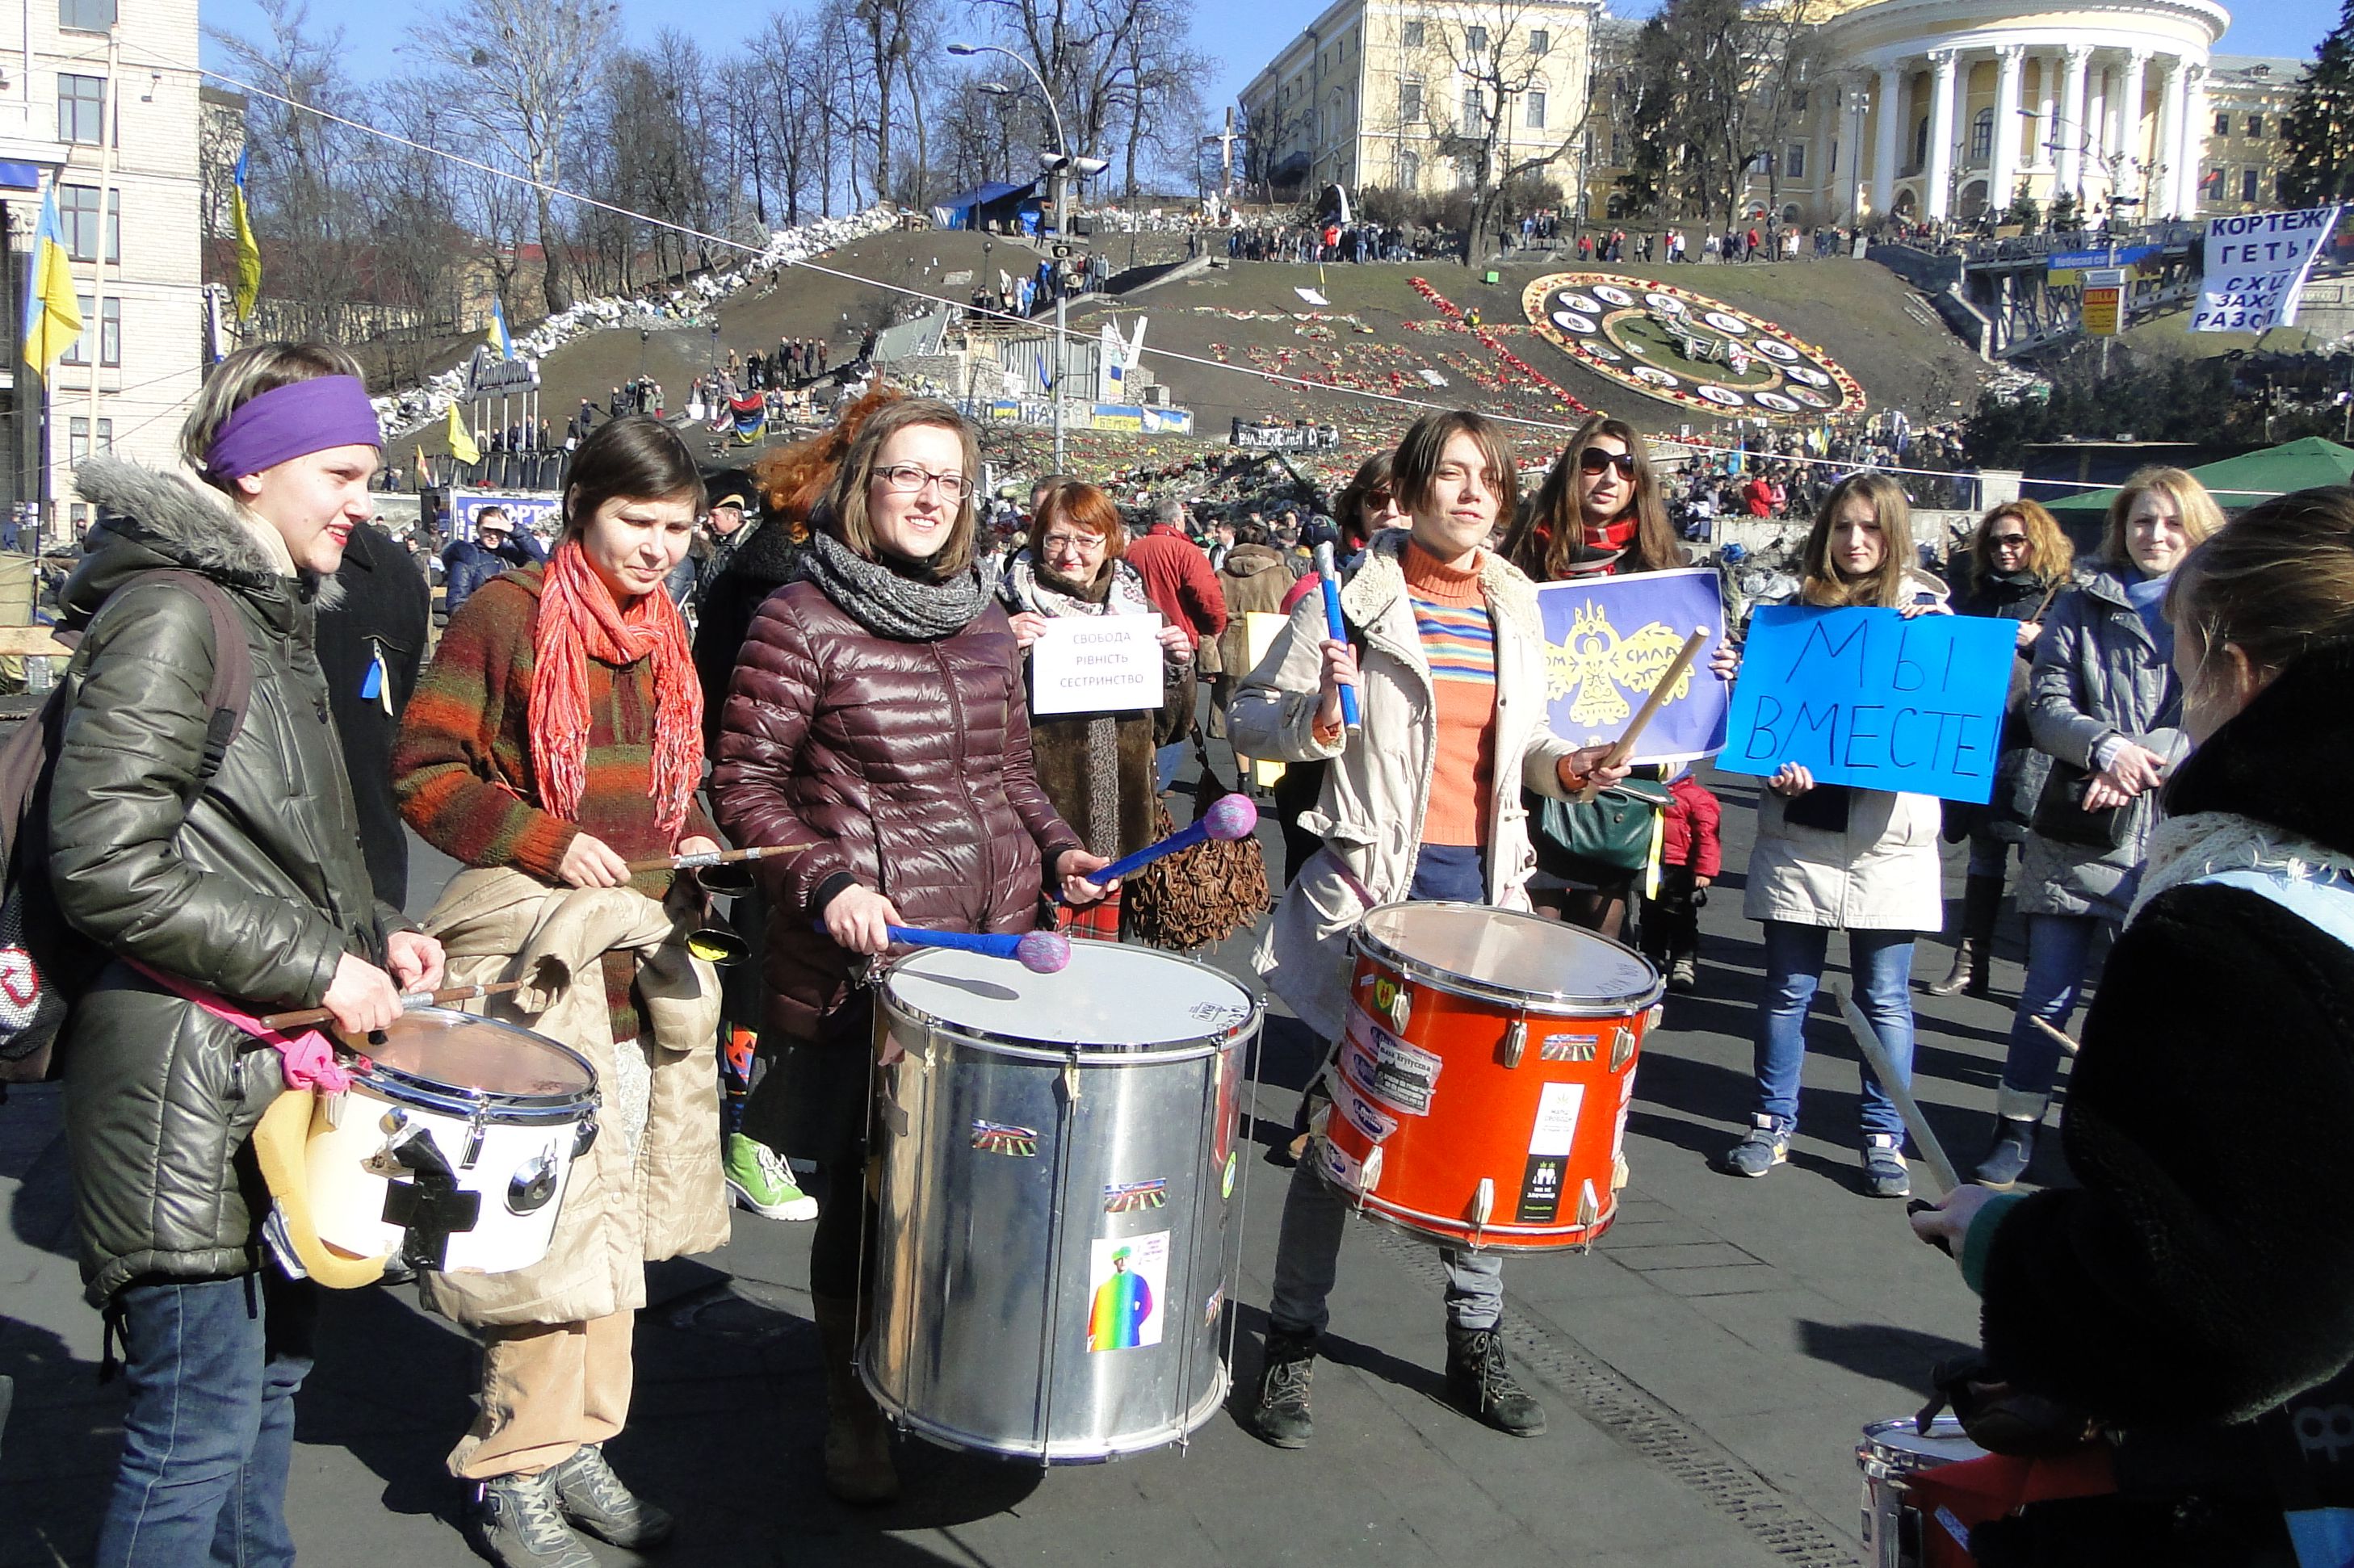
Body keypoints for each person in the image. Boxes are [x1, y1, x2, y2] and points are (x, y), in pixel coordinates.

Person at [52, 342, 444, 1566]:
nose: (358, 501)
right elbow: (105, 860)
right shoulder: (178, 613)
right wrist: (323, 970)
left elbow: (273, 850)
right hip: (180, 1080)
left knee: (265, 1384)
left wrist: (377, 935)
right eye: (337, 470)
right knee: (196, 1422)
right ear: (252, 470)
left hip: (254, 1072)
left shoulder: (270, 623)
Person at [1911, 487, 2354, 1568]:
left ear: (2237, 672)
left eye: (2182, 658)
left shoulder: (2237, 920)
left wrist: (2001, 1240)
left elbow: (2227, 1311)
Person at [709, 398, 1113, 1506]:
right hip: (868, 958)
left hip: (986, 948)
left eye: (947, 477)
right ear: (862, 486)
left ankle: (944, 1371)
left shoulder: (985, 620)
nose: (927, 495)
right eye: (904, 473)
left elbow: (1008, 776)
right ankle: (851, 1399)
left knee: (974, 1181)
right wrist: (825, 879)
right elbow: (741, 780)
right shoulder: (797, 615)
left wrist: (1063, 851)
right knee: (863, 1189)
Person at [1230, 409, 1627, 1449]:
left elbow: (1526, 740)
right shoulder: (1349, 597)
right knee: (1336, 1128)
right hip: (1371, 895)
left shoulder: (1517, 603)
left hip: (1482, 895)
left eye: (1484, 479)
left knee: (1484, 1130)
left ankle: (1474, 1343)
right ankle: (1291, 1345)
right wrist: (1316, 717)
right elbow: (1248, 718)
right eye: (1447, 475)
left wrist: (1565, 767)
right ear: (1408, 489)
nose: (1467, 493)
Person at [393, 415, 728, 1568]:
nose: (657, 549)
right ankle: (509, 1470)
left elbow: (669, 794)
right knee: (535, 1242)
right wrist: (543, 837)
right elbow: (425, 772)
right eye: (637, 522)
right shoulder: (506, 614)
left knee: (616, 1235)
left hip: (636, 977)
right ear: (581, 505)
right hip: (539, 980)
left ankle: (579, 1437)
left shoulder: (667, 630)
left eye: (678, 529)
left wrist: (700, 839)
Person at [1970, 468, 2221, 1187]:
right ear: (2121, 527)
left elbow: (2216, 704)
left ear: (2195, 529)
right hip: (2077, 832)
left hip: (2172, 834)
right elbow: (2046, 704)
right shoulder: (2080, 606)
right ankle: (2013, 1128)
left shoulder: (2216, 611)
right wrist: (2104, 747)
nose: (2155, 535)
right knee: (2044, 993)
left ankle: (2111, 1140)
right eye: (2142, 521)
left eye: (2171, 523)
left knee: (2141, 1007)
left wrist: (2147, 760)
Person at [1722, 472, 1949, 1200]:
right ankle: (1770, 1121)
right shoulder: (1786, 619)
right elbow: (1760, 732)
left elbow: (1971, 712)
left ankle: (1885, 1136)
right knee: (1787, 989)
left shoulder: (1932, 619)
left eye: (1871, 529)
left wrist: (1935, 639)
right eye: (1844, 527)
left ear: (1894, 537)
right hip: (1801, 837)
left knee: (1885, 997)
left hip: (1890, 842)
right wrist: (1753, 724)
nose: (1855, 542)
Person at [1500, 413, 1710, 941]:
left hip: (1619, 788)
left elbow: (1684, 687)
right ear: (1571, 471)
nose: (1610, 476)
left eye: (1626, 466)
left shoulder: (1660, 567)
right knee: (1528, 941)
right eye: (1594, 462)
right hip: (1530, 777)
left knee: (1597, 946)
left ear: (1639, 483)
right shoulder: (1521, 558)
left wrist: (1716, 669)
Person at [1000, 479, 1188, 940]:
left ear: (1110, 543)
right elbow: (977, 725)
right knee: (1034, 973)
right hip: (1037, 830)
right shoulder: (1005, 607)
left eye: (1086, 540)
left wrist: (1179, 668)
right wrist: (999, 651)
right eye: (1057, 539)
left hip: (1124, 826)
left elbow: (1168, 729)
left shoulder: (1140, 612)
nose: (1071, 554)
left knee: (1105, 985)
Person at [1925, 500, 2075, 999]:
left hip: (2037, 748)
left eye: (2016, 540)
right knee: (1983, 858)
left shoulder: (2065, 597)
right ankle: (1971, 962)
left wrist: (2043, 638)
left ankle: (2040, 975)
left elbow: (2086, 666)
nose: (2004, 550)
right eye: (1995, 541)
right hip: (1980, 743)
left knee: (2038, 863)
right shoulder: (1975, 595)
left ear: (2038, 542)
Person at [318, 513, 431, 907]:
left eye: (367, 478)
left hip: (370, 888)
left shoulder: (390, 574)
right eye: (340, 474)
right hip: (221, 907)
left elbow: (408, 731)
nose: (362, 503)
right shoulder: (177, 578)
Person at [1126, 493, 1229, 790]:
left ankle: (1142, 775)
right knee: (1174, 713)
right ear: (1178, 521)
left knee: (1139, 711)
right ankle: (1160, 781)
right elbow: (1209, 598)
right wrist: (1212, 628)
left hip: (1135, 638)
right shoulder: (1186, 551)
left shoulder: (1131, 551)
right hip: (1178, 641)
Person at [1643, 768, 1722, 992]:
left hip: (1681, 868)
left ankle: (1683, 961)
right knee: (1650, 913)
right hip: (1652, 864)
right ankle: (1652, 956)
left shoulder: (1696, 796)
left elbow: (1708, 835)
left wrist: (1705, 871)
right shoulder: (1649, 790)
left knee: (1681, 917)